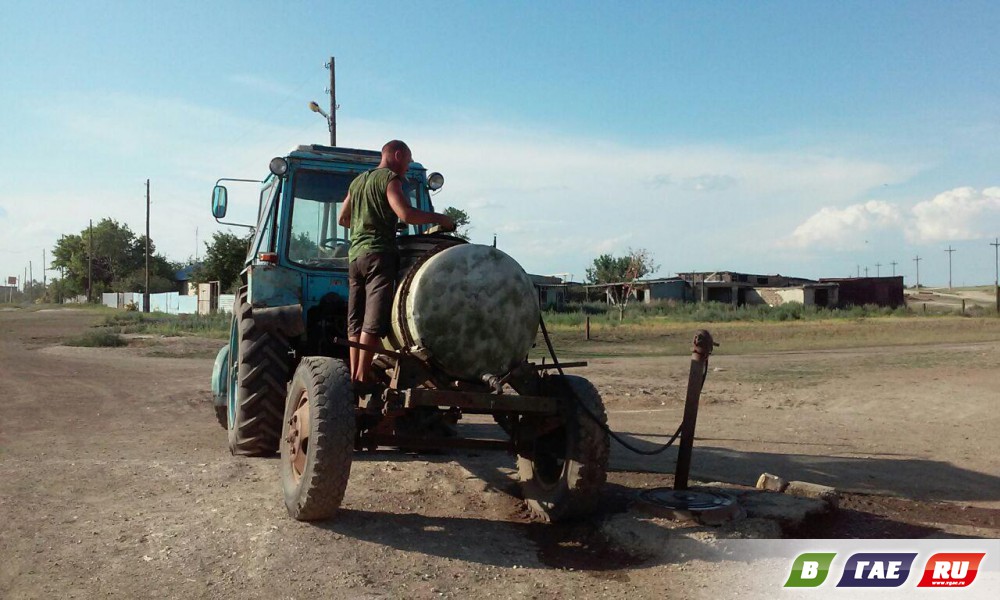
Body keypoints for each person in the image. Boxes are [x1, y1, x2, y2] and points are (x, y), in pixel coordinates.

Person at [337, 140, 455, 388]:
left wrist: (363, 226)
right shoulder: (390, 179)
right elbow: (406, 214)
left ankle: (355, 373)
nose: (408, 166)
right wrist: (441, 219)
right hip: (379, 255)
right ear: (397, 155)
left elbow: (343, 218)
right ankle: (361, 376)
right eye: (408, 160)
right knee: (373, 317)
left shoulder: (358, 182)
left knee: (355, 318)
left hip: (355, 257)